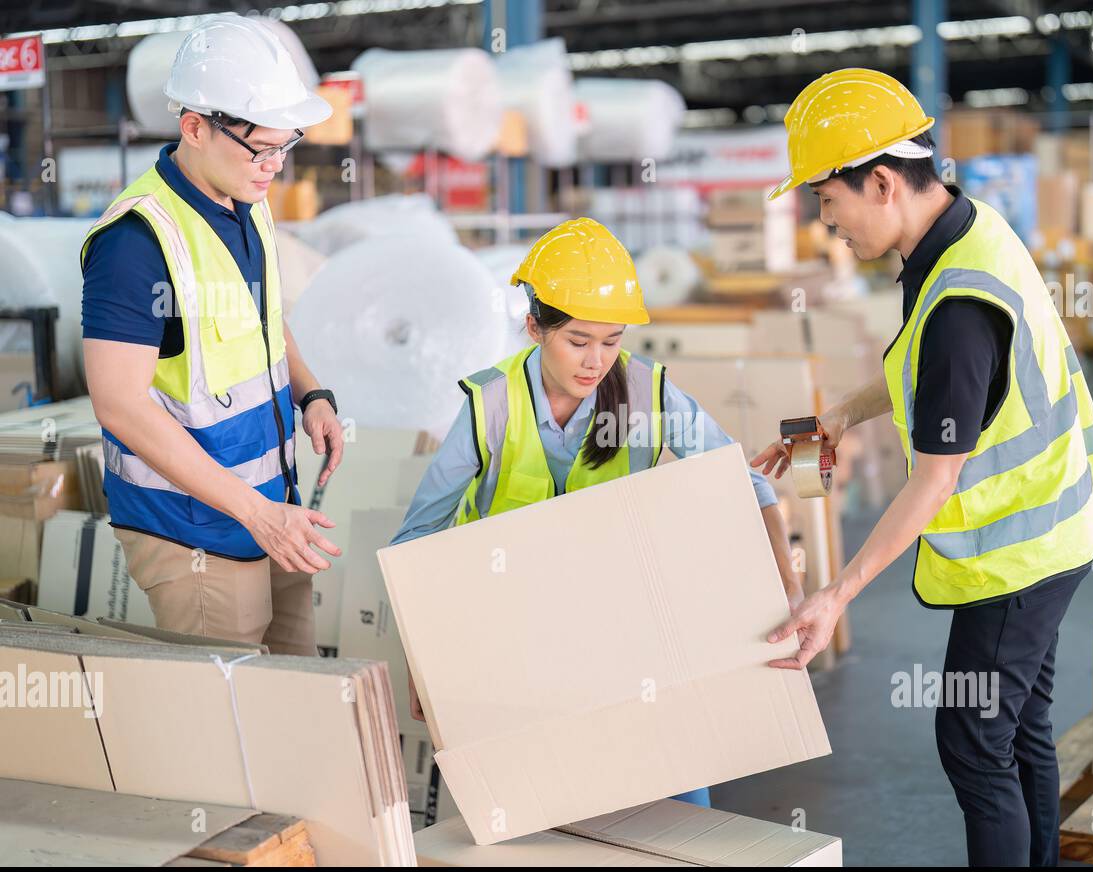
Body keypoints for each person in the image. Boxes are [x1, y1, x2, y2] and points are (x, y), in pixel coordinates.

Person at [751, 69, 1093, 865]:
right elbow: (924, 372)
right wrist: (837, 416)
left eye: (828, 201)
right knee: (1017, 728)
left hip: (1020, 555)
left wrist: (835, 594)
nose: (828, 224)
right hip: (1055, 527)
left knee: (973, 739)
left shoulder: (959, 303)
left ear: (881, 183)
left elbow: (936, 476)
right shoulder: (963, 228)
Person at [393, 217, 804, 808]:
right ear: (534, 327)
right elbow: (419, 536)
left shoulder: (647, 392)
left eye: (612, 341)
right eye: (578, 341)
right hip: (512, 625)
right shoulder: (490, 403)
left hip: (619, 614)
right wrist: (424, 658)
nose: (596, 361)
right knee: (537, 803)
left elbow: (750, 488)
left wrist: (788, 595)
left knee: (677, 785)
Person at [80, 15, 344, 655]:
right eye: (261, 149)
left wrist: (311, 393)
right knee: (225, 732)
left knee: (291, 697)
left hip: (271, 509)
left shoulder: (246, 202)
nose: (275, 167)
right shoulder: (137, 243)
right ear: (194, 126)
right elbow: (118, 403)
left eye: (287, 146)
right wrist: (256, 515)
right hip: (197, 533)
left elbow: (260, 316)